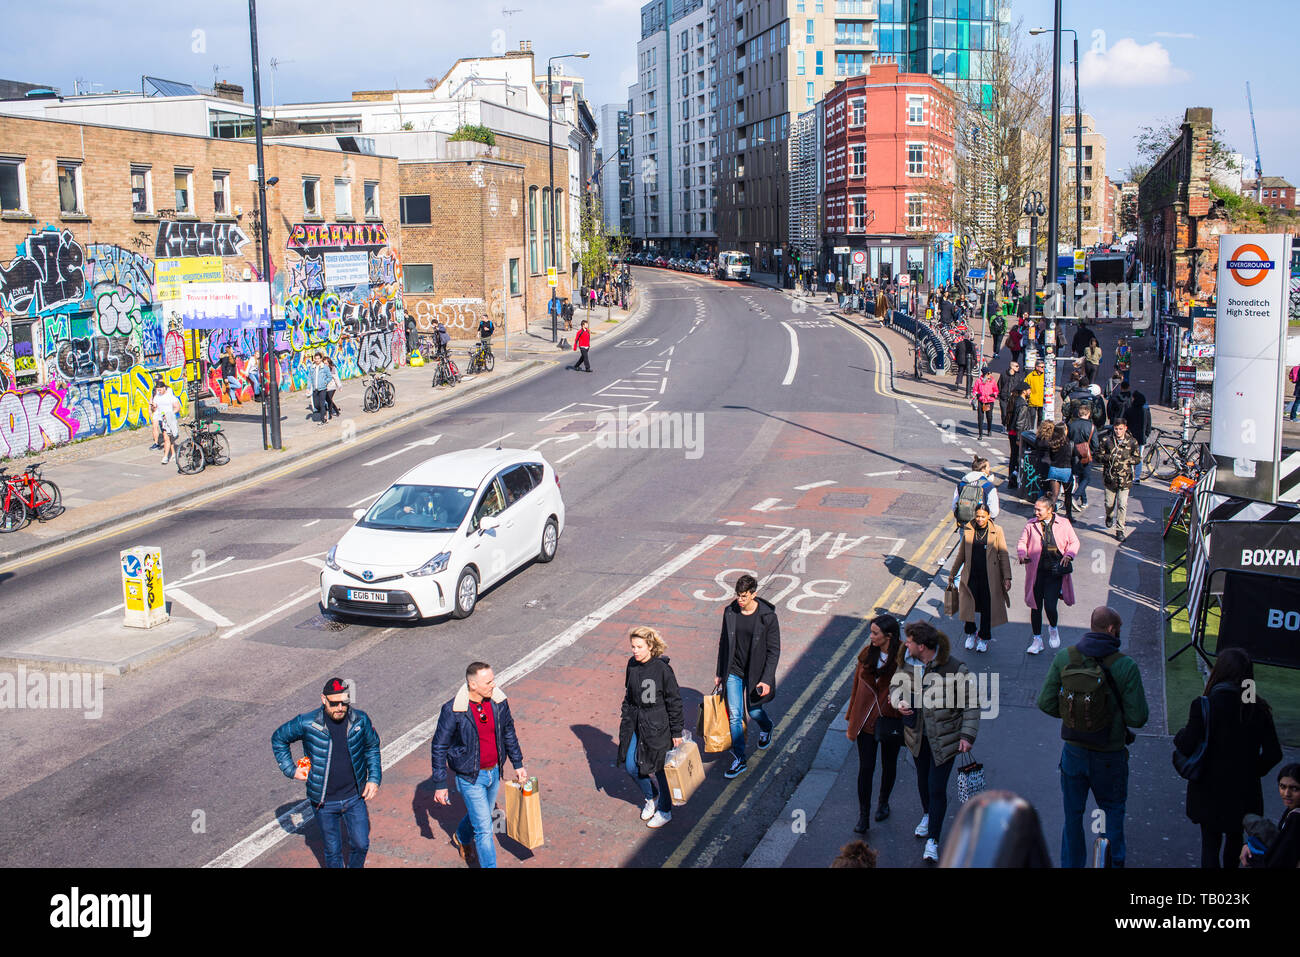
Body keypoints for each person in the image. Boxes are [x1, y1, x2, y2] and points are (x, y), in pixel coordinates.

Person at [1036, 606, 1149, 867]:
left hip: (1074, 753)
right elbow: (1138, 718)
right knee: (1111, 814)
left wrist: (1072, 717)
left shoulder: (1066, 657)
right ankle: (1112, 862)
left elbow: (1045, 702)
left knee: (1072, 817)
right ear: (1111, 629)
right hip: (1110, 755)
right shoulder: (1126, 666)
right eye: (1118, 629)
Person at [1174, 648, 1283, 868]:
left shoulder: (1204, 705)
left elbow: (1186, 744)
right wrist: (1253, 770)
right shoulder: (1257, 709)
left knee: (1210, 844)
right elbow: (1274, 753)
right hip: (1244, 791)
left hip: (1207, 787)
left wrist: (1182, 735)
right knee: (1235, 843)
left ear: (1220, 671)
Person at [271, 677, 382, 868]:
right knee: (333, 852)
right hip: (324, 801)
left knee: (361, 844)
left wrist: (373, 778)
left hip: (354, 797)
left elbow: (372, 746)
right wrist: (290, 770)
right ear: (323, 699)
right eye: (334, 703)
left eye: (344, 703)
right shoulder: (306, 722)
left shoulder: (360, 720)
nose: (340, 707)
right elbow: (279, 738)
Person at [894, 621, 979, 864]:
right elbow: (895, 687)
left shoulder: (955, 668)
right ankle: (928, 814)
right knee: (922, 781)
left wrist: (967, 735)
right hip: (917, 736)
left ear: (921, 646)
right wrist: (898, 702)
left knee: (936, 787)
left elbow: (971, 703)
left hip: (945, 739)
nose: (905, 644)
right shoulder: (907, 663)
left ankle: (933, 840)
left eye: (909, 641)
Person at [430, 662, 528, 868]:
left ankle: (461, 837)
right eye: (488, 682)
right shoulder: (453, 710)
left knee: (482, 814)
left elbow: (508, 732)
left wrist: (518, 764)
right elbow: (439, 746)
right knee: (484, 828)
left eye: (493, 679)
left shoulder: (498, 702)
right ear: (472, 685)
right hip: (469, 777)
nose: (493, 685)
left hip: (493, 772)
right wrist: (440, 783)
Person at [713, 573, 781, 780]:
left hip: (756, 674)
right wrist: (719, 672)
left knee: (754, 712)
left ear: (754, 594)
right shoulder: (730, 612)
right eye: (738, 596)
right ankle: (740, 758)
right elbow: (724, 643)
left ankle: (767, 727)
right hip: (733, 671)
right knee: (735, 715)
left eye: (744, 596)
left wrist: (767, 679)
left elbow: (774, 650)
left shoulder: (768, 616)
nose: (740, 600)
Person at [617, 626, 684, 829]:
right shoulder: (632, 665)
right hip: (636, 723)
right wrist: (626, 713)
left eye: (639, 646)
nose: (635, 651)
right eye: (633, 647)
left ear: (650, 646)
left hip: (657, 727)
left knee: (660, 770)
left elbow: (674, 701)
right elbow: (629, 694)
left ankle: (665, 811)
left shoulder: (662, 669)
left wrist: (676, 731)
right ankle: (651, 796)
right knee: (631, 766)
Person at [844, 614, 904, 832]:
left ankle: (883, 802)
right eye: (871, 632)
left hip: (891, 720)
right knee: (866, 768)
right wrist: (851, 716)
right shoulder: (866, 655)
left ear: (888, 636)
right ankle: (863, 816)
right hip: (866, 723)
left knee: (889, 765)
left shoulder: (904, 657)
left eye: (875, 633)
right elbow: (855, 689)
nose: (871, 636)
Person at [1017, 496, 1080, 655]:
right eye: (1035, 509)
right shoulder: (1031, 525)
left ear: (1050, 510)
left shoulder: (1064, 523)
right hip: (1036, 572)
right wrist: (1022, 553)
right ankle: (1037, 640)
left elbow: (1074, 542)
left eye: (1039, 509)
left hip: (1055, 572)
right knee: (1035, 607)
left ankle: (1053, 628)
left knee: (1050, 606)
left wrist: (1069, 555)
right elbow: (1022, 542)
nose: (1035, 512)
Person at [950, 504, 1013, 653]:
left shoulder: (997, 531)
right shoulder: (968, 529)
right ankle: (970, 633)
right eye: (977, 516)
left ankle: (984, 638)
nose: (979, 519)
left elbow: (1003, 554)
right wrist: (953, 573)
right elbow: (961, 554)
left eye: (983, 516)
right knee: (968, 606)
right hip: (971, 575)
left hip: (989, 577)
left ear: (989, 516)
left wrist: (1007, 577)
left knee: (987, 608)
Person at [1241, 764, 1300, 868]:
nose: (1287, 793)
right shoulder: (1292, 809)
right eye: (1282, 786)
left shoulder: (1296, 818)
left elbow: (1281, 860)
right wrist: (1249, 845)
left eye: (1294, 788)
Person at [1096, 418, 1141, 542]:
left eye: (1120, 429)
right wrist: (1109, 457)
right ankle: (1109, 516)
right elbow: (1098, 456)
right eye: (1116, 429)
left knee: (1122, 504)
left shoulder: (1132, 442)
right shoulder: (1107, 440)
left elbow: (1137, 459)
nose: (1118, 431)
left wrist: (1128, 459)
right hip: (1110, 478)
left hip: (1125, 479)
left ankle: (1120, 530)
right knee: (1109, 503)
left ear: (1125, 428)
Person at [1067, 402, 1098, 512]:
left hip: (1074, 454)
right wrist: (1091, 453)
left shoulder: (1072, 425)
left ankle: (1084, 501)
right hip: (1086, 455)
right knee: (1086, 478)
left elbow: (1068, 439)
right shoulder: (1091, 427)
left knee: (1079, 477)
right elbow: (1095, 444)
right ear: (1088, 413)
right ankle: (1074, 497)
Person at [953, 455, 1000, 524]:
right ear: (983, 469)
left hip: (965, 523)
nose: (989, 469)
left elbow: (954, 505)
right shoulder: (988, 486)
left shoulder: (962, 484)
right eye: (988, 467)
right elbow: (994, 510)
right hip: (982, 524)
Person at [1009, 382, 1035, 490]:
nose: (1030, 391)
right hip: (1018, 435)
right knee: (1017, 459)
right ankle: (1013, 481)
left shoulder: (1017, 401)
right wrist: (1019, 439)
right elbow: (1020, 423)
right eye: (1029, 390)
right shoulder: (1023, 405)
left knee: (1013, 458)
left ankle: (1012, 479)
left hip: (1013, 433)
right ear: (1024, 391)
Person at [1043, 421, 1074, 512]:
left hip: (1054, 469)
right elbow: (1075, 457)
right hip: (1066, 470)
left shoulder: (1052, 443)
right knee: (1068, 495)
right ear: (1064, 431)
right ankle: (1069, 515)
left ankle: (1049, 513)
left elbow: (1049, 457)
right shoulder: (1070, 443)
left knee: (1054, 495)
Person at [1122, 391, 1151, 480]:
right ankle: (1137, 477)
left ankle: (1131, 474)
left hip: (1130, 437)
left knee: (1129, 456)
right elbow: (1148, 426)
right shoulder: (1145, 412)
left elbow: (1124, 423)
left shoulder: (1129, 410)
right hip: (1141, 438)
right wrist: (1146, 435)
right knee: (1139, 457)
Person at [153, 380, 181, 465]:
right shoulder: (157, 396)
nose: (159, 391)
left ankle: (167, 456)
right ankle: (170, 455)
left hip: (169, 419)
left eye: (160, 389)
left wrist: (169, 414)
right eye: (157, 390)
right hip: (162, 420)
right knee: (167, 438)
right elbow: (155, 407)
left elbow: (177, 408)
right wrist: (154, 407)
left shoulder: (170, 396)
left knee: (168, 438)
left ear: (164, 388)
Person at [972, 367, 999, 439]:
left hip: (988, 401)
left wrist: (994, 394)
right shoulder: (979, 381)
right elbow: (974, 390)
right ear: (985, 374)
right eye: (989, 373)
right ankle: (980, 434)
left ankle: (989, 429)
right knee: (980, 418)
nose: (990, 375)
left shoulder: (992, 381)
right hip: (981, 401)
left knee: (989, 416)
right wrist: (977, 394)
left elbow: (996, 390)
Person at [309, 352, 331, 425]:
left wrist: (325, 382)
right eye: (316, 358)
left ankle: (323, 420)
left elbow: (329, 377)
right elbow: (310, 378)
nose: (317, 360)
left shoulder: (324, 367)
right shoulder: (312, 368)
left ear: (321, 359)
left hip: (322, 388)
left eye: (318, 358)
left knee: (321, 404)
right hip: (315, 389)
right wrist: (308, 388)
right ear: (314, 359)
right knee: (316, 405)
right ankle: (325, 407)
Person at [1025, 360, 1046, 430]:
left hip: (1042, 401)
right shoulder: (1030, 376)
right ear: (1037, 367)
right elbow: (1025, 386)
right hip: (1032, 401)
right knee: (1032, 417)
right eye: (1042, 367)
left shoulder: (1045, 376)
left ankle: (1038, 432)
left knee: (1040, 418)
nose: (1043, 368)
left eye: (1044, 367)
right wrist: (1028, 396)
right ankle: (1030, 431)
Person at [324, 355, 342, 420]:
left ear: (329, 363)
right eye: (324, 363)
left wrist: (339, 386)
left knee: (329, 400)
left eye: (326, 363)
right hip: (325, 387)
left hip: (332, 387)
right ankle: (337, 411)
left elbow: (336, 378)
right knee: (329, 400)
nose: (325, 364)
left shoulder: (332, 368)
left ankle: (330, 414)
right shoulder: (322, 369)